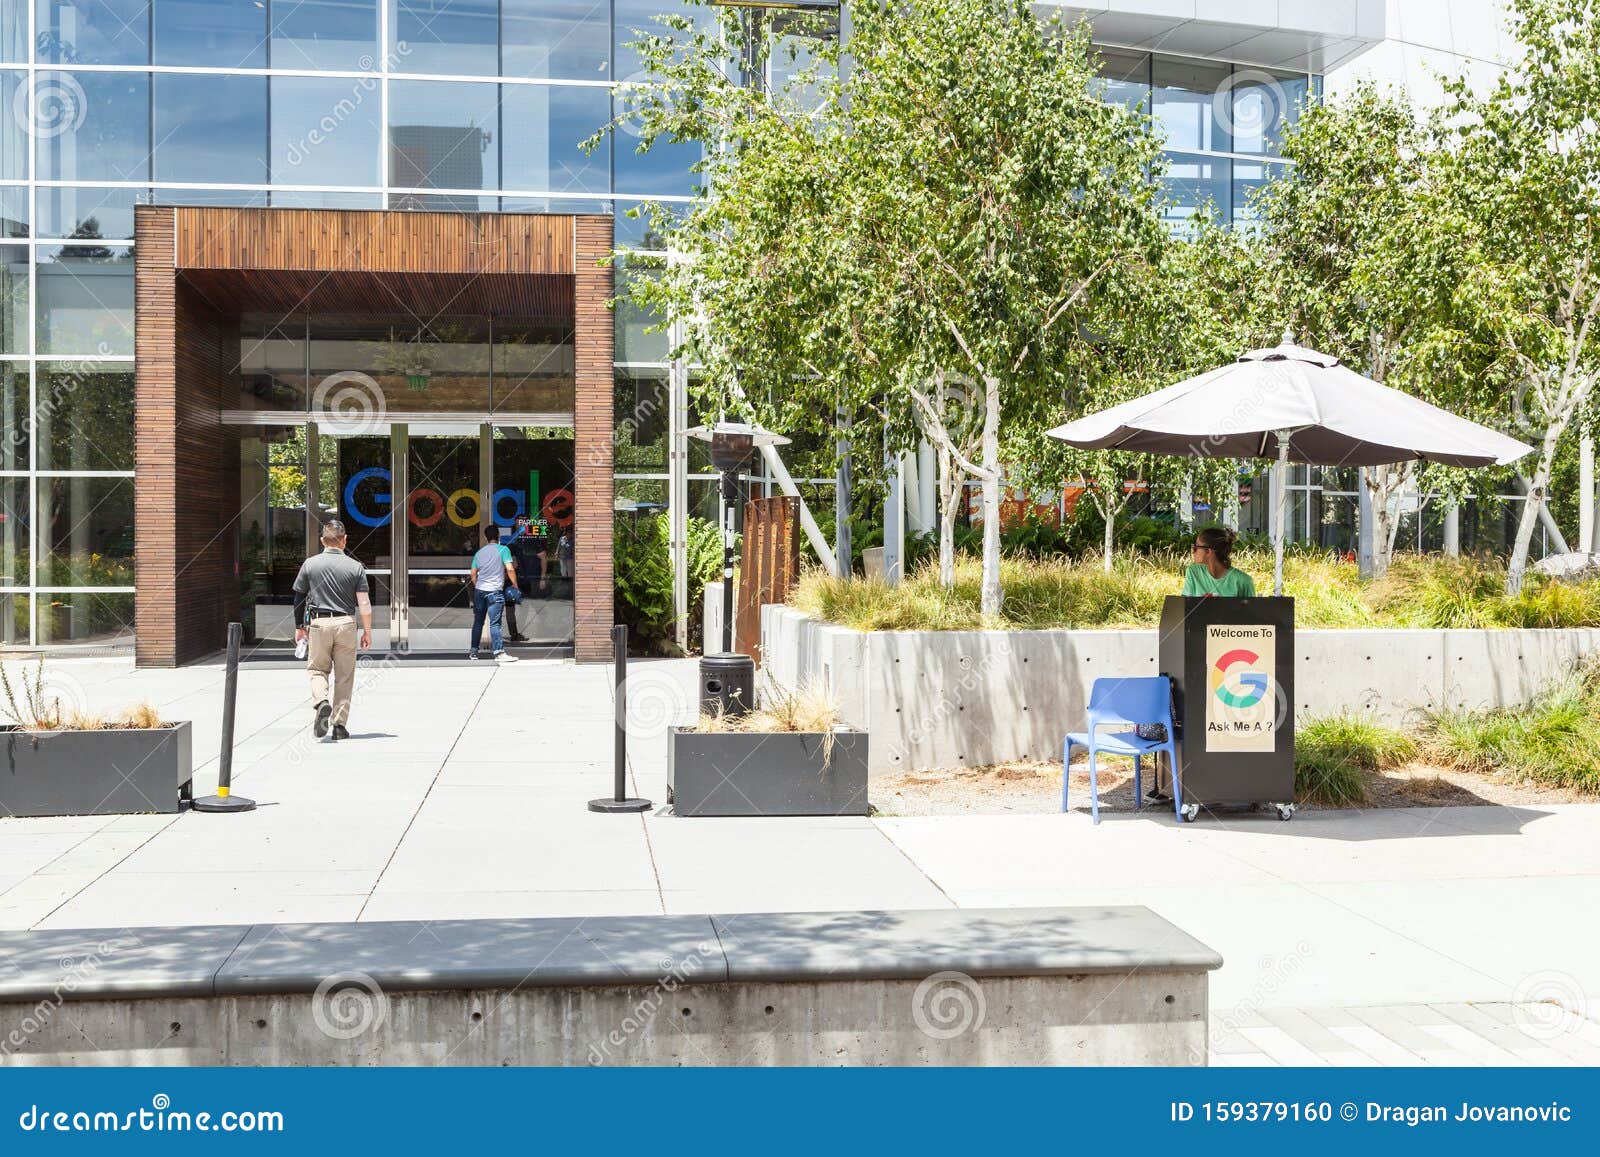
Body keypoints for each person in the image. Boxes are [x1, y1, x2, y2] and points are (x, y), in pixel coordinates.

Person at [292, 520, 373, 741]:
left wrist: (299, 627)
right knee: (344, 676)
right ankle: (339, 726)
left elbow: (298, 598)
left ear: (322, 541)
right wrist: (367, 631)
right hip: (346, 623)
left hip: (319, 623)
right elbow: (364, 603)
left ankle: (321, 701)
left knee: (317, 670)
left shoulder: (310, 564)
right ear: (344, 540)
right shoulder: (355, 567)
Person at [469, 524, 519, 663]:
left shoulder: (479, 553)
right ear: (498, 536)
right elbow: (510, 569)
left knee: (478, 622)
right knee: (495, 623)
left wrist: (478, 585)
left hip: (480, 591)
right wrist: (515, 584)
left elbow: (473, 573)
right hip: (495, 591)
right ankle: (499, 653)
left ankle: (473, 652)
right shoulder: (503, 549)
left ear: (485, 537)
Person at [1182, 526, 1256, 597]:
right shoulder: (1193, 572)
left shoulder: (1244, 581)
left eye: (1195, 547)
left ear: (1208, 551)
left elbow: (1252, 606)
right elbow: (1184, 604)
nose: (1193, 551)